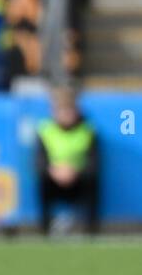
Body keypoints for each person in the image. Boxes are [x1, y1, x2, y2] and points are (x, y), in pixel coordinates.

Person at [35, 85, 98, 233]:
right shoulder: (45, 130)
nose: (66, 115)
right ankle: (44, 230)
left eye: (69, 110)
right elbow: (39, 162)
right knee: (42, 182)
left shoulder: (88, 130)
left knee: (92, 182)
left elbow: (94, 163)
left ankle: (91, 230)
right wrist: (55, 172)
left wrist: (74, 172)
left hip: (79, 180)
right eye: (62, 110)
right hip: (54, 180)